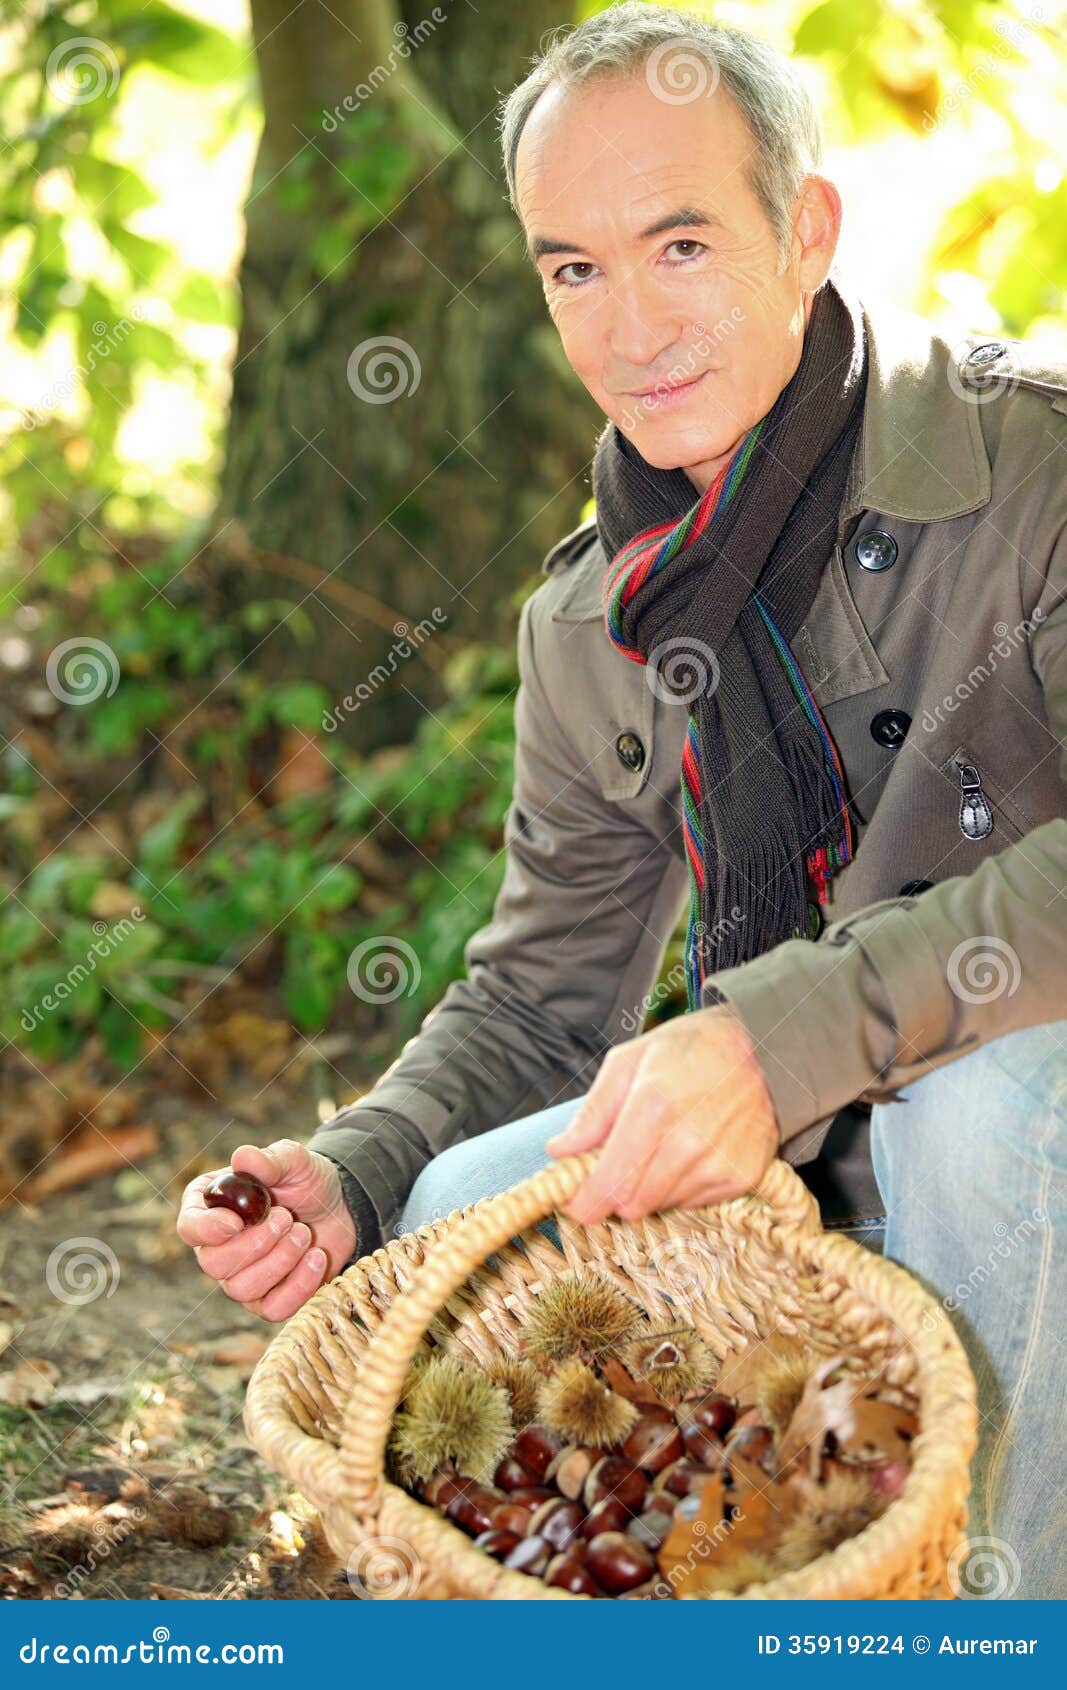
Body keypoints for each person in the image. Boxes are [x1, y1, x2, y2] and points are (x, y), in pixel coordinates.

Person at [178, 6, 1067, 1596]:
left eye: (679, 243)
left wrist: (777, 1035)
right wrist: (357, 1168)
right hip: (836, 1176)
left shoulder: (1029, 472)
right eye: (572, 267)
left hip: (1020, 1141)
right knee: (470, 1205)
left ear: (804, 231)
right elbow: (540, 995)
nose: (630, 327)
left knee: (987, 1093)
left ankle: (1000, 1600)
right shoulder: (597, 620)